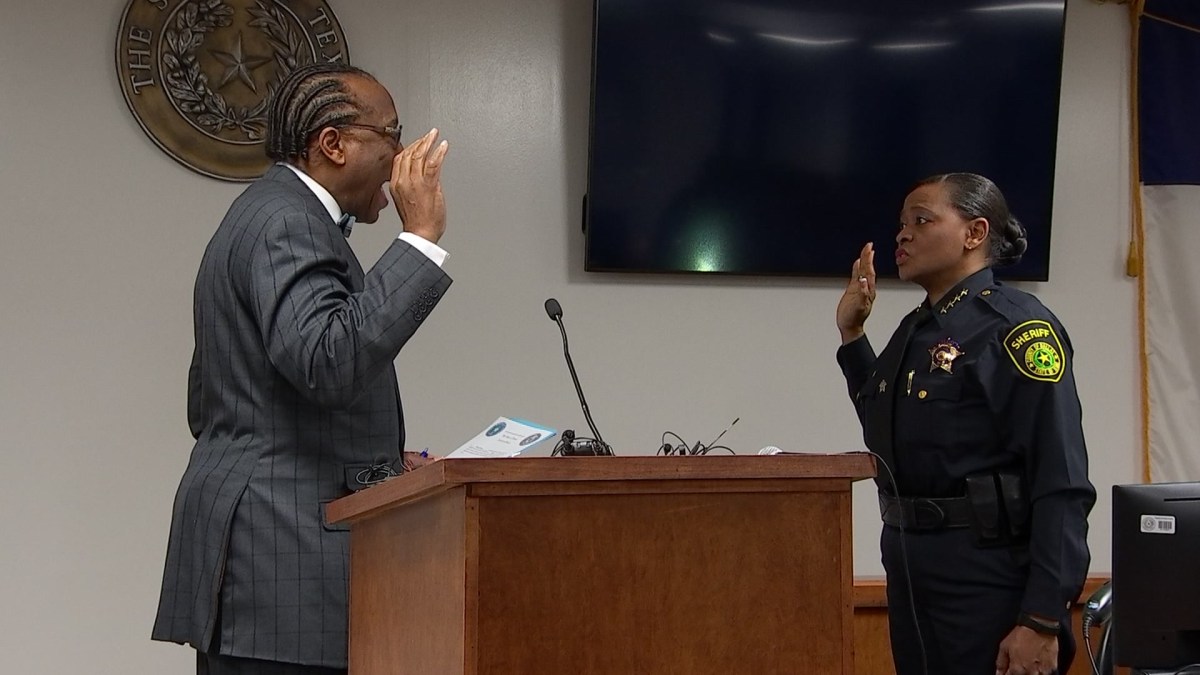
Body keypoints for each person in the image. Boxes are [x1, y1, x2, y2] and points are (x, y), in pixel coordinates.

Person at [151, 62, 453, 674]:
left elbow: (216, 394)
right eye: (391, 135)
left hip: (265, 570)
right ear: (333, 144)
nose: (402, 159)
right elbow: (329, 364)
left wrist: (380, 467)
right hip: (280, 570)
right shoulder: (289, 223)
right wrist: (421, 236)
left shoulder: (273, 214)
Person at [834, 173, 1095, 675]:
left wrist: (1041, 617)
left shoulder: (1016, 329)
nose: (902, 235)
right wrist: (853, 336)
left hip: (987, 572)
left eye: (922, 220)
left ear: (975, 233)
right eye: (901, 224)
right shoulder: (917, 329)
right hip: (913, 566)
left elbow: (1060, 480)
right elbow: (883, 431)